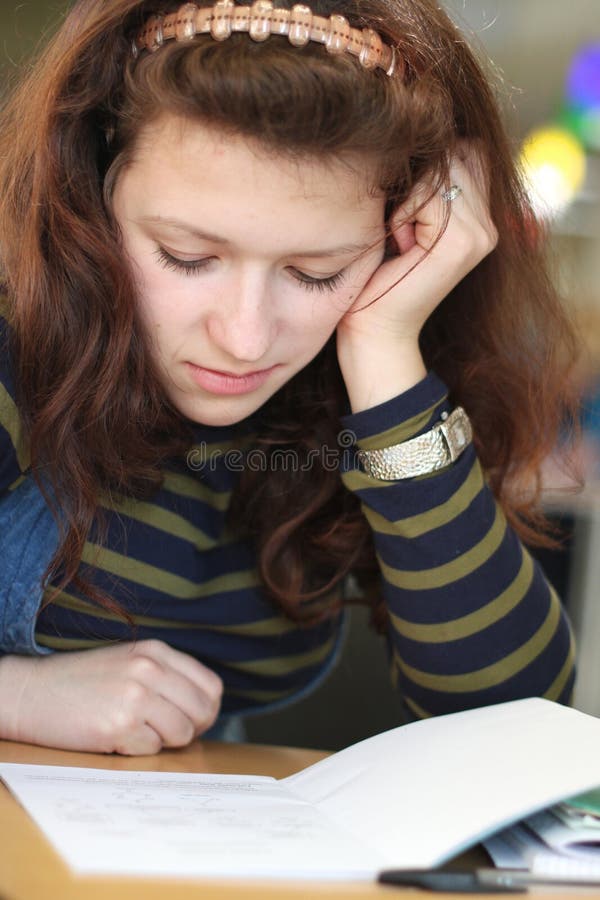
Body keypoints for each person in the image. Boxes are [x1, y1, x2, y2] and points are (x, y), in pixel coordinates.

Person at [0, 0, 579, 756]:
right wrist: (18, 695)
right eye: (187, 257)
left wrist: (385, 353)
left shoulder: (352, 396)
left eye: (316, 272)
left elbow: (515, 718)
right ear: (96, 186)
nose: (244, 338)